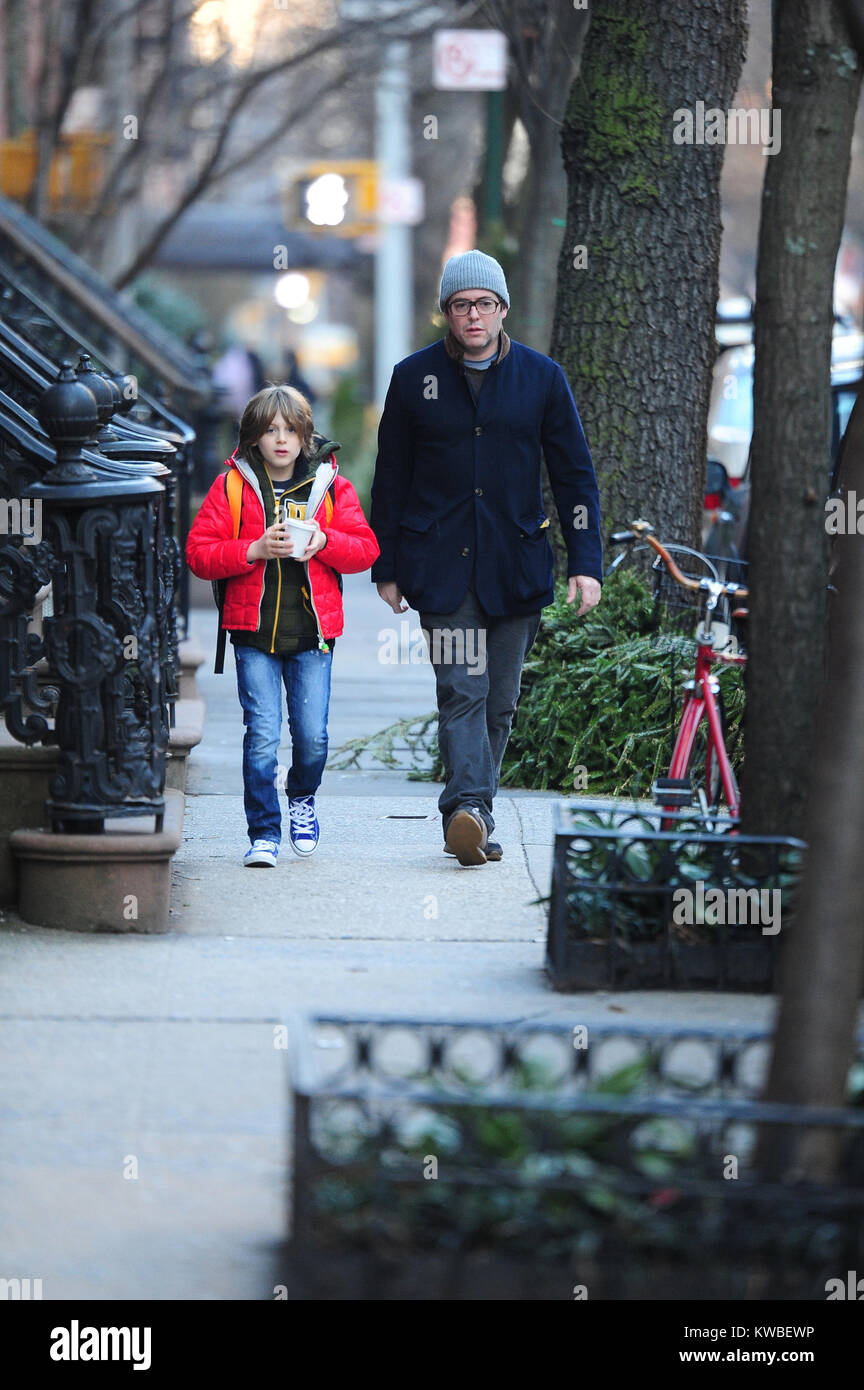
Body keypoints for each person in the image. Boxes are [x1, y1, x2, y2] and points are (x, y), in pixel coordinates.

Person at [370, 249, 603, 866]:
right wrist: (387, 566)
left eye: (484, 304)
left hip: (515, 564)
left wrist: (586, 562)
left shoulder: (541, 377)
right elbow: (390, 477)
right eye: (461, 305)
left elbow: (574, 477)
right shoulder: (413, 377)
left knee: (500, 700)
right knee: (462, 691)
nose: (473, 315)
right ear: (446, 312)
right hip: (441, 569)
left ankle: (476, 814)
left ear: (503, 309)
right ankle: (467, 808)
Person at [186, 384, 379, 867]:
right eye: (270, 430)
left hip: (313, 637)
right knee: (262, 737)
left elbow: (365, 550)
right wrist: (250, 550)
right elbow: (198, 553)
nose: (280, 439)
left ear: (305, 436)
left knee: (312, 737)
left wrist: (324, 541)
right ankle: (264, 833)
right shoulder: (231, 486)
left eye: (290, 430)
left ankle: (302, 797)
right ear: (253, 436)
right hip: (253, 637)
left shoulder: (331, 486)